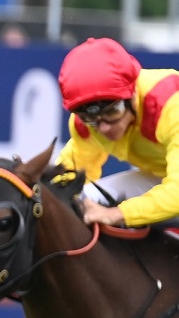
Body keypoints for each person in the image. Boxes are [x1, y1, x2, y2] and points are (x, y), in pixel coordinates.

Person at [56, 37, 179, 228]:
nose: (103, 128)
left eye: (112, 111)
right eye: (89, 117)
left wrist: (117, 214)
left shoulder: (171, 104)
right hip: (165, 179)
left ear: (133, 95)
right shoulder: (85, 125)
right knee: (80, 201)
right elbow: (69, 180)